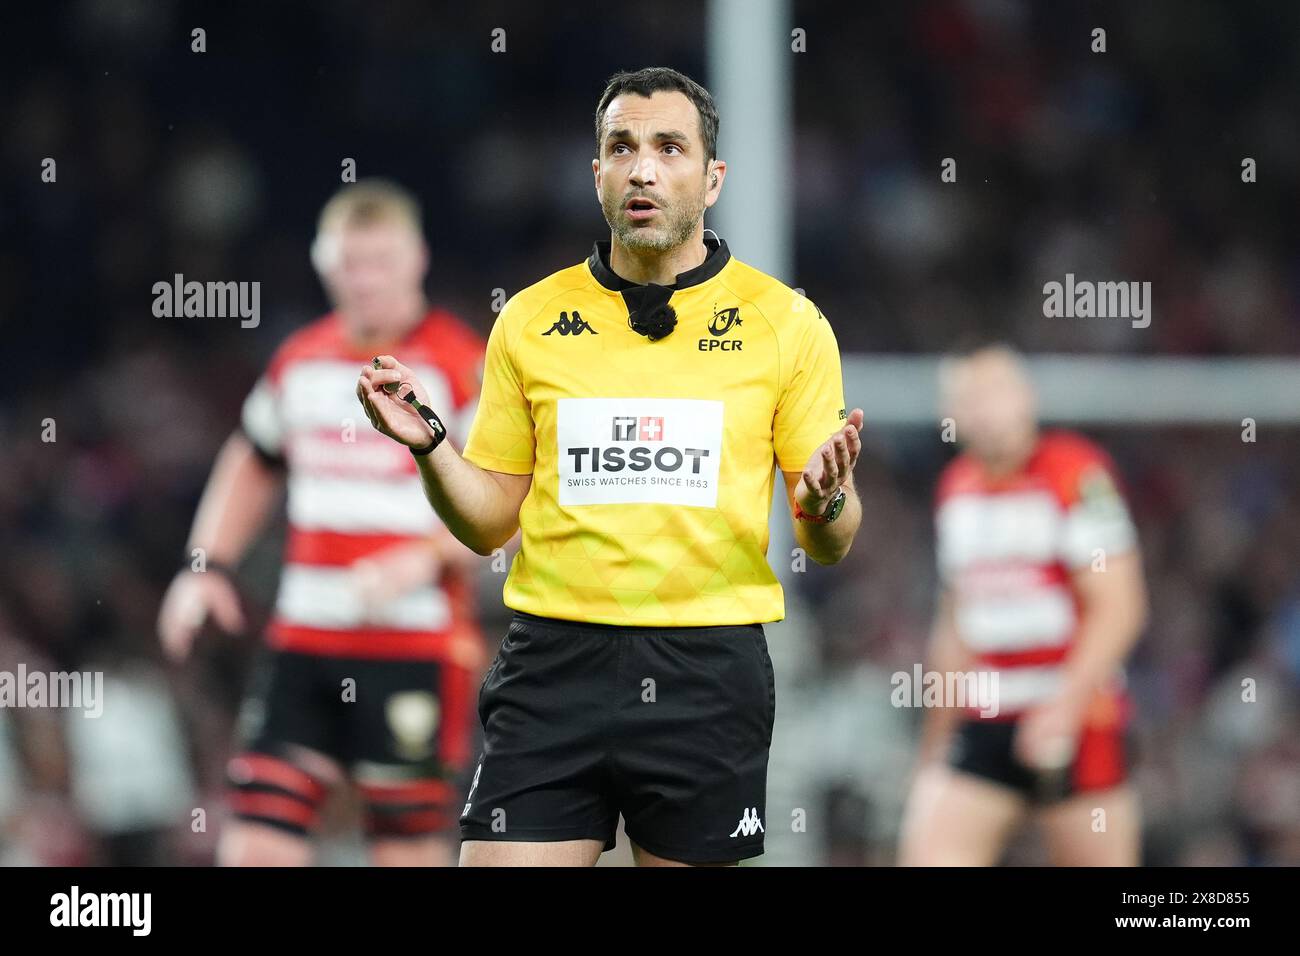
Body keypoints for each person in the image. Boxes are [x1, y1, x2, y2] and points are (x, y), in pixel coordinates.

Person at [357, 67, 864, 867]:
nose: (643, 168)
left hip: (706, 669)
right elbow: (490, 519)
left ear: (713, 176)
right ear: (597, 174)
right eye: (621, 148)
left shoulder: (786, 324)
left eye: (669, 147)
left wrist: (828, 501)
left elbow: (829, 538)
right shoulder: (528, 319)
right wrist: (432, 451)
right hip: (555, 663)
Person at [158, 180, 487, 866]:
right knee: (254, 834)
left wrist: (425, 556)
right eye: (349, 263)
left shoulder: (460, 365)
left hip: (413, 645)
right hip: (304, 637)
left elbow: (509, 501)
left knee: (405, 844)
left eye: (380, 261)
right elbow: (251, 458)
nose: (364, 280)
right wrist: (204, 567)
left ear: (416, 258)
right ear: (323, 264)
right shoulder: (300, 361)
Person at [899, 342, 1147, 866]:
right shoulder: (957, 489)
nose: (985, 412)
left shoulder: (1075, 473)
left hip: (1079, 720)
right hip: (988, 714)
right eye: (970, 400)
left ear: (1027, 399)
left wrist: (1065, 706)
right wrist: (934, 743)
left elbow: (1120, 605)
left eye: (995, 394)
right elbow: (956, 624)